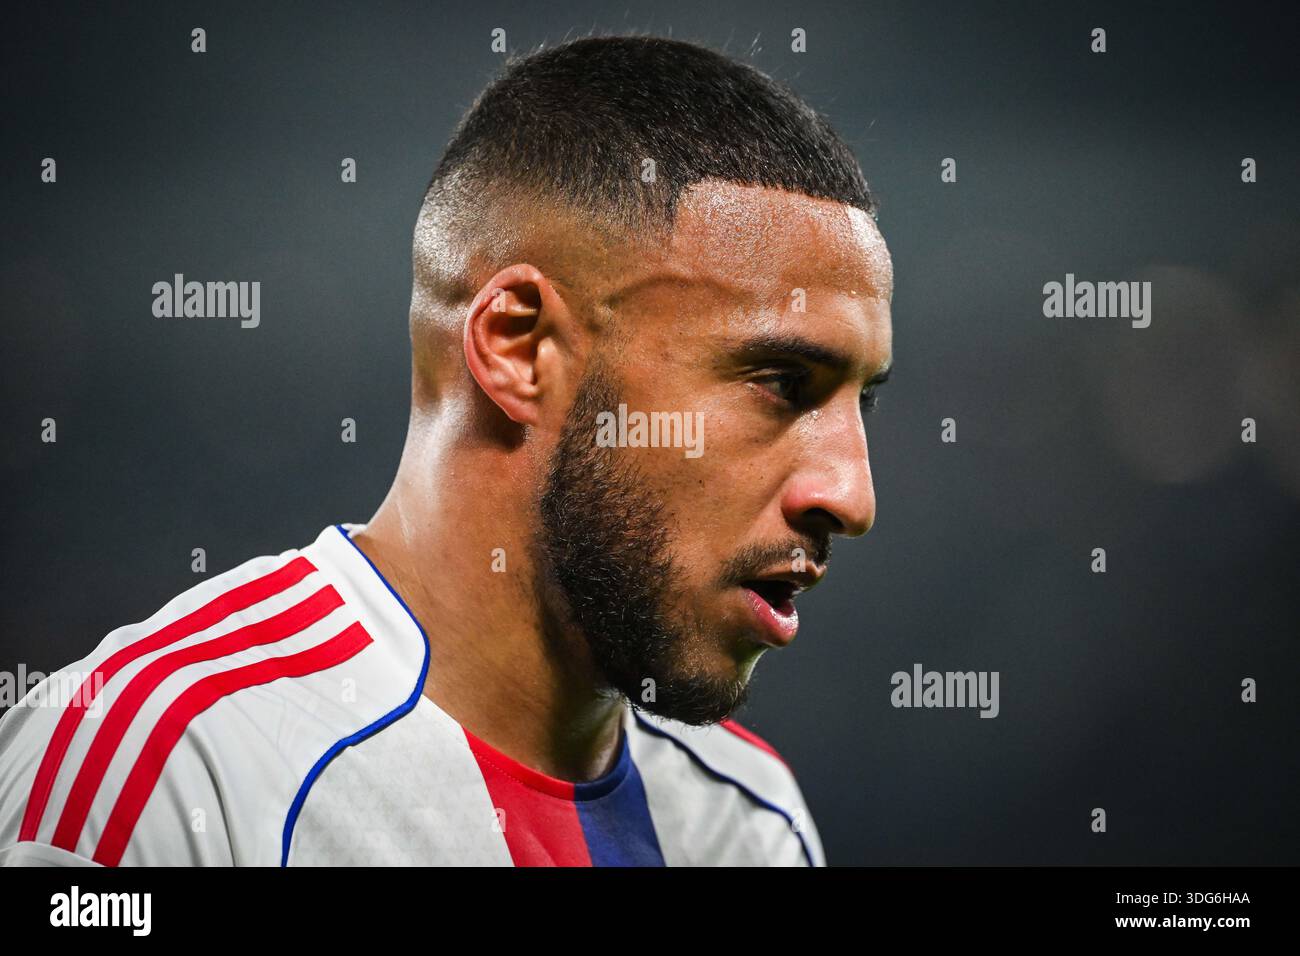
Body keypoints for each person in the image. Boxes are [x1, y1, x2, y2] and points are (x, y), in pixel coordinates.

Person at [0, 34, 892, 866]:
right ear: (518, 348)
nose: (852, 497)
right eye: (783, 382)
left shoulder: (749, 823)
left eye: (865, 401)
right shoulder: (171, 768)